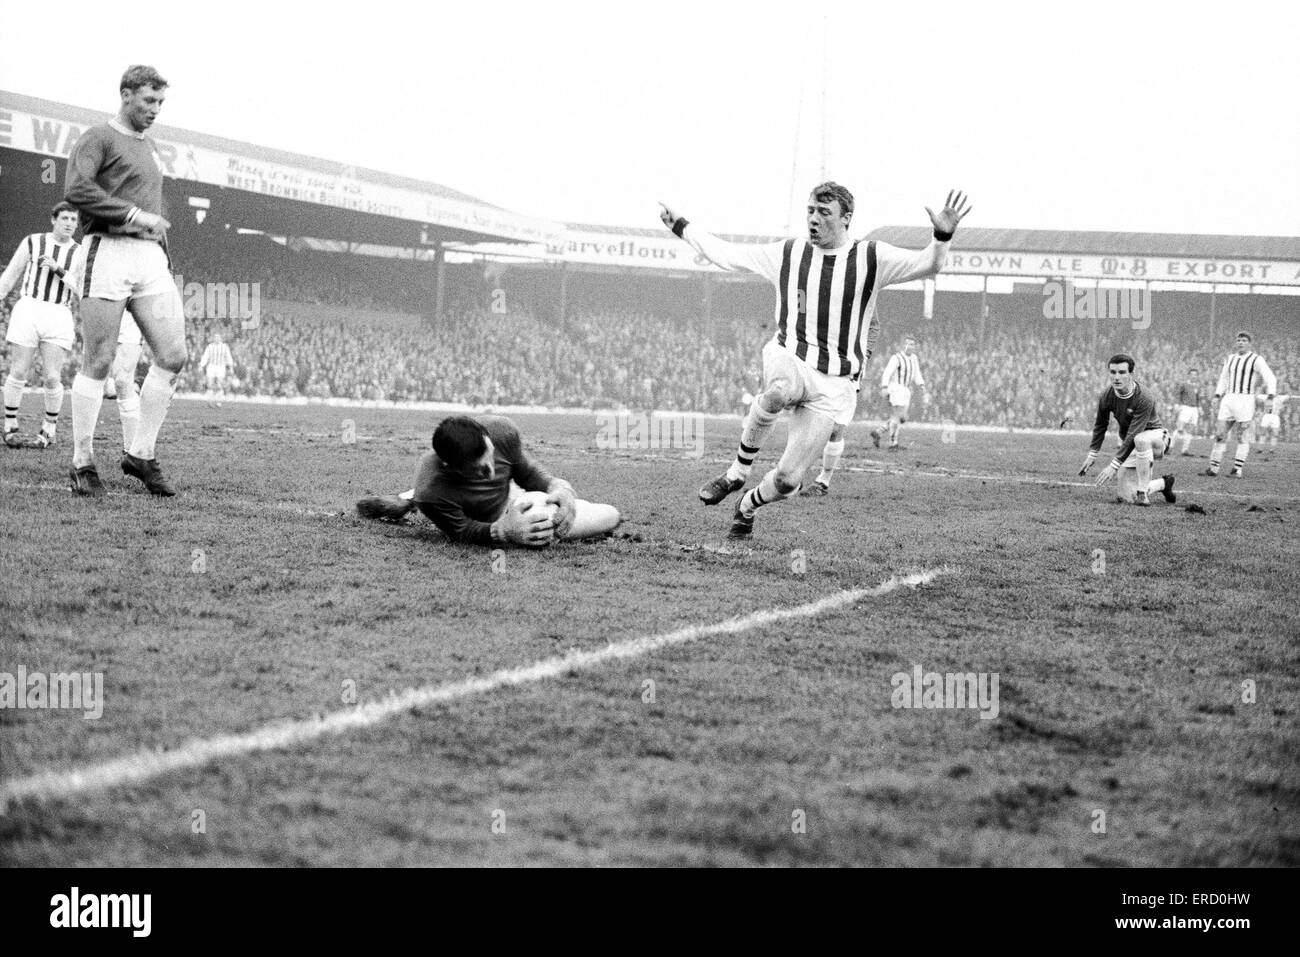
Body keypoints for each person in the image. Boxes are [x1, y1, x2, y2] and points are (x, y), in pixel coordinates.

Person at [660, 183, 971, 538]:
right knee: (778, 391)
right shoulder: (789, 253)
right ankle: (736, 473)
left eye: (824, 213)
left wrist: (942, 235)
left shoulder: (872, 258)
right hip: (789, 354)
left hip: (834, 383)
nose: (813, 219)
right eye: (810, 210)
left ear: (846, 219)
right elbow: (727, 254)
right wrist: (681, 226)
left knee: (787, 480)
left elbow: (928, 264)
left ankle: (747, 505)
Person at [64, 64, 186, 497]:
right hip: (108, 248)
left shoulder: (150, 146)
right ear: (126, 94)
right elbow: (76, 189)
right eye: (149, 100)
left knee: (173, 354)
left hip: (149, 258)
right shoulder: (98, 137)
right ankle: (82, 462)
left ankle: (140, 454)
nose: (155, 109)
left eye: (160, 102)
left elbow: (148, 202)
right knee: (97, 361)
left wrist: (159, 246)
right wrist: (134, 215)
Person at [355, 415, 621, 547]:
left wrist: (560, 487)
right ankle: (409, 499)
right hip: (492, 512)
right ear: (452, 468)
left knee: (611, 514)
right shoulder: (433, 489)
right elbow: (461, 531)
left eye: (491, 456)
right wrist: (502, 530)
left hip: (511, 495)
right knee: (543, 519)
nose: (492, 471)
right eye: (481, 470)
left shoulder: (502, 432)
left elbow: (526, 473)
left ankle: (404, 499)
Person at [0, 202, 80, 448]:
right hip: (29, 308)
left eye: (73, 220)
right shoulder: (33, 242)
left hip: (58, 313)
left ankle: (49, 428)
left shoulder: (79, 251)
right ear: (53, 219)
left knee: (52, 377)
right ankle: (10, 425)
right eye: (64, 218)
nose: (69, 223)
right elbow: (10, 275)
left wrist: (58, 270)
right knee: (19, 370)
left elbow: (80, 287)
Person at [1078, 353, 1176, 506]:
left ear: (1131, 374)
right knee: (1126, 497)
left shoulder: (1144, 396)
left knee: (1140, 439)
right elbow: (1100, 425)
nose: (1116, 377)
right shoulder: (1106, 395)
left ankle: (1143, 493)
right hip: (1132, 444)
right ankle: (1164, 484)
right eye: (1113, 372)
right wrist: (1092, 454)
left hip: (1157, 439)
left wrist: (1113, 466)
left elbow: (1134, 433)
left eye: (1122, 372)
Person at [1205, 332, 1276, 478]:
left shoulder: (1256, 359)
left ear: (1249, 343)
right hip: (1228, 399)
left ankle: (1237, 470)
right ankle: (1213, 468)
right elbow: (1224, 378)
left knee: (1242, 436)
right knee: (1220, 434)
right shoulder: (1230, 359)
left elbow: (1270, 377)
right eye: (1238, 340)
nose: (1241, 343)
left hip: (1245, 401)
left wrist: (1270, 396)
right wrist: (1217, 395)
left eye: (1244, 340)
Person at [870, 335, 928, 451]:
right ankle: (893, 444)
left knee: (899, 417)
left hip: (906, 390)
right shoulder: (897, 358)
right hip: (896, 388)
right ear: (903, 345)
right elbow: (887, 372)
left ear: (915, 346)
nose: (909, 346)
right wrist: (884, 386)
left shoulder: (914, 358)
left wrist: (921, 384)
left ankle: (878, 432)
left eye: (912, 344)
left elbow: (916, 373)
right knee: (899, 416)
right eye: (907, 344)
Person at [1170, 366, 1201, 456]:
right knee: (1180, 428)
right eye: (1192, 374)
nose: (1194, 376)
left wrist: (1199, 407)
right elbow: (1177, 394)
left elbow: (1197, 398)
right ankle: (1170, 447)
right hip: (1185, 408)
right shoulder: (1184, 384)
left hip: (1194, 409)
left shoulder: (1197, 386)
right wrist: (1176, 404)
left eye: (1195, 375)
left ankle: (1185, 450)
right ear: (1188, 375)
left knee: (1190, 430)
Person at [199, 330, 233, 405]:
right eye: (215, 337)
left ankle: (219, 401)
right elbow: (205, 356)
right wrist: (201, 366)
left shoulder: (224, 347)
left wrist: (230, 367)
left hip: (221, 367)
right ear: (213, 338)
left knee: (220, 384)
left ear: (220, 338)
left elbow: (228, 357)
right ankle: (210, 401)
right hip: (211, 366)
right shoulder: (210, 346)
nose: (216, 339)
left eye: (218, 337)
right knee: (210, 383)